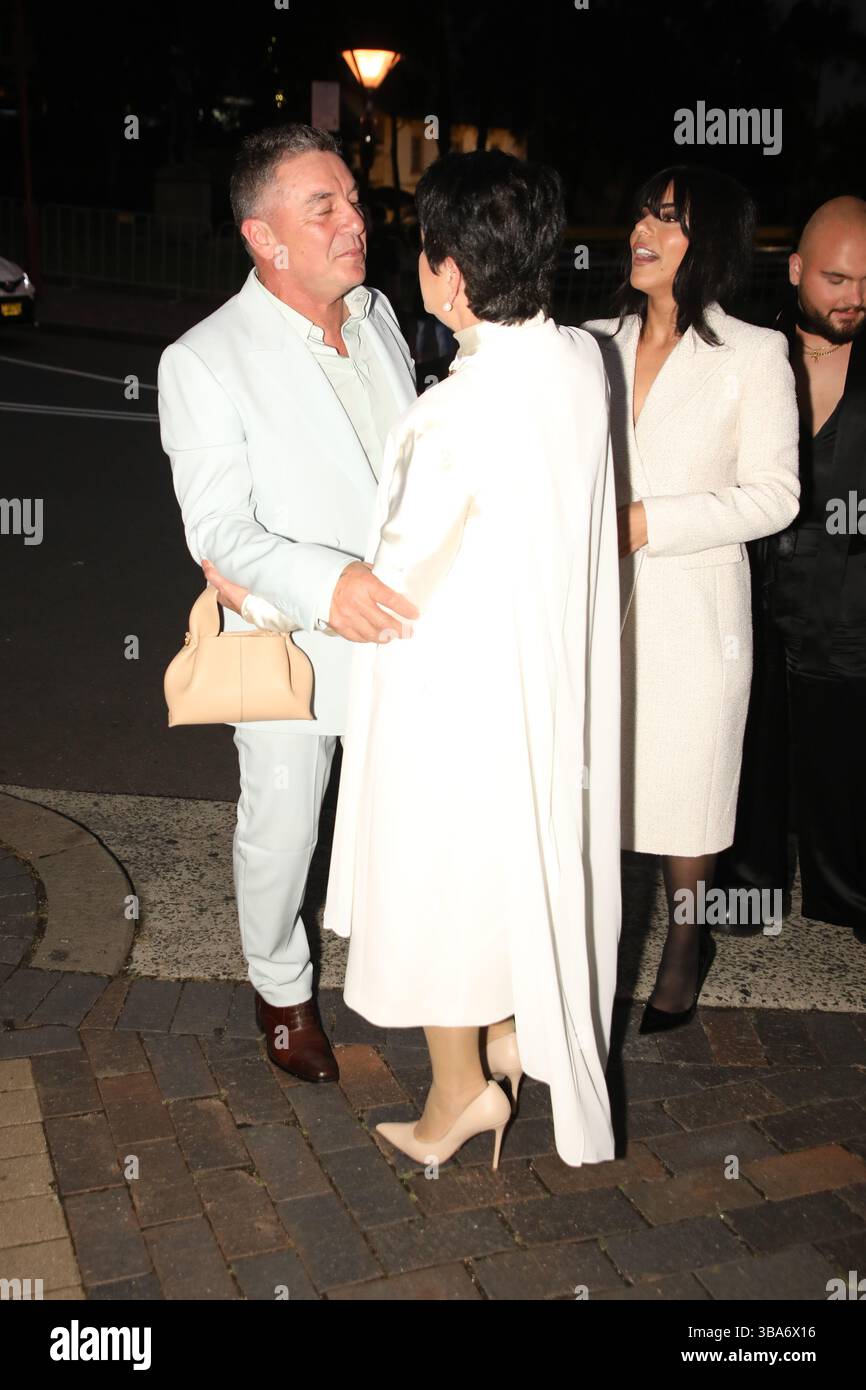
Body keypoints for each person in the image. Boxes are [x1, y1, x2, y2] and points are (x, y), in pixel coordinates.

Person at [204, 149, 623, 1169]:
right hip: (533, 671)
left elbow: (394, 579)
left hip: (443, 687)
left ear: (443, 273)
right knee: (505, 865)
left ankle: (458, 1092)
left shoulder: (451, 414)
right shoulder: (575, 360)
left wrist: (267, 587)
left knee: (436, 883)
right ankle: (513, 1036)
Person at [157, 124, 420, 1083]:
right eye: (327, 207)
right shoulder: (205, 358)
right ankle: (281, 990)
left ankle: (414, 963)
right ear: (263, 238)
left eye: (353, 199)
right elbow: (219, 532)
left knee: (406, 806)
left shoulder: (380, 312)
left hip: (406, 622)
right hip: (296, 635)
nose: (358, 220)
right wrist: (330, 584)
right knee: (283, 824)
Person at [583, 165, 800, 1033]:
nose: (644, 228)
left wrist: (649, 520)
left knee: (690, 787)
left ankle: (685, 940)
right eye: (642, 210)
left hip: (696, 606)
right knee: (601, 779)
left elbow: (776, 495)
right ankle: (594, 941)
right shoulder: (589, 342)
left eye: (668, 219)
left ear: (707, 240)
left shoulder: (753, 353)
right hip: (596, 603)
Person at [718, 197, 866, 943]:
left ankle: (849, 897)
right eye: (838, 279)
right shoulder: (753, 348)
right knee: (748, 758)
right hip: (751, 596)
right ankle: (748, 891)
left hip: (851, 607)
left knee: (848, 768)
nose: (854, 298)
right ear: (798, 269)